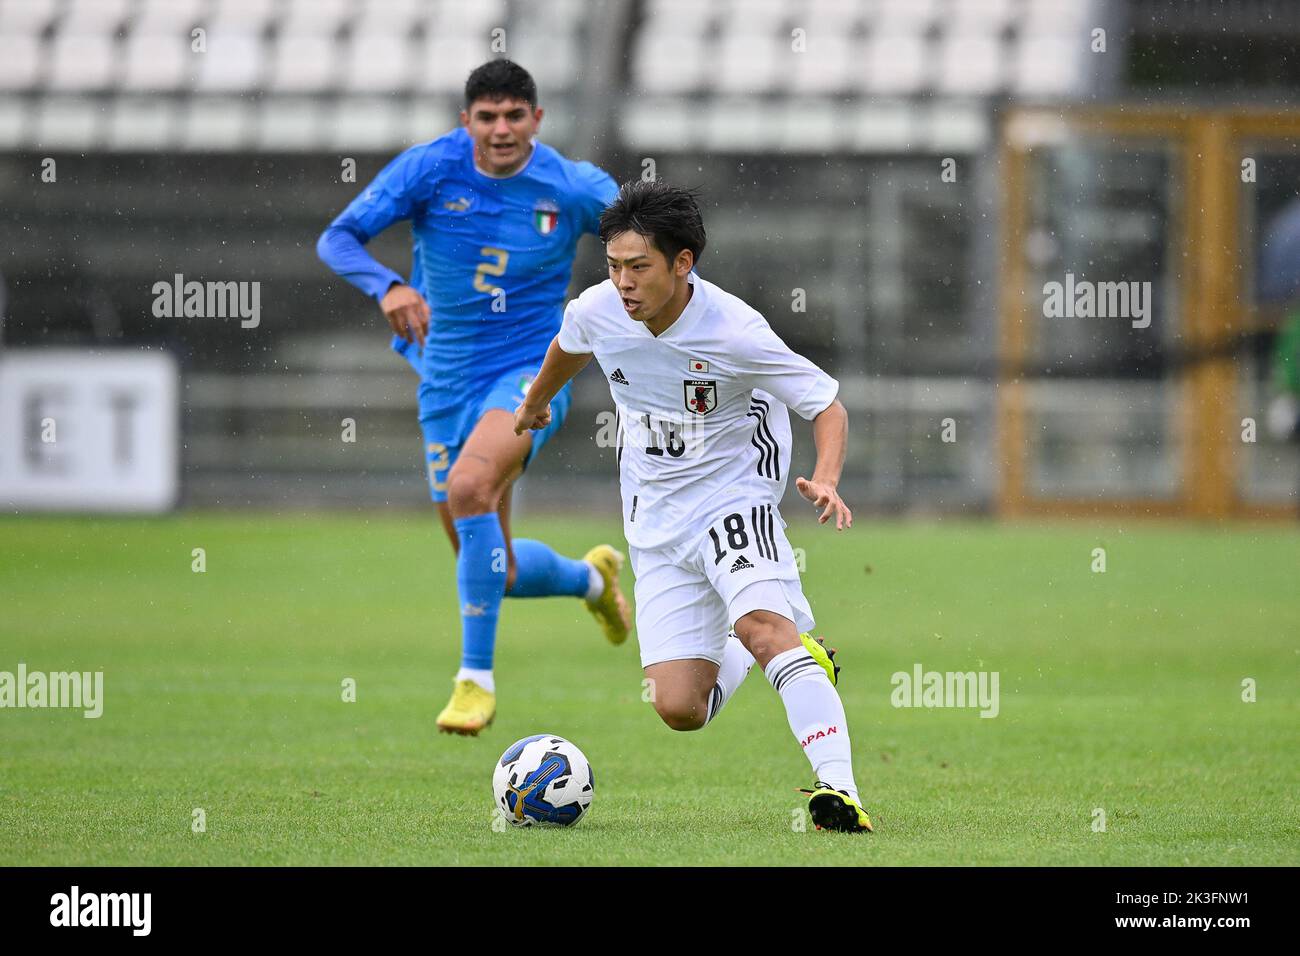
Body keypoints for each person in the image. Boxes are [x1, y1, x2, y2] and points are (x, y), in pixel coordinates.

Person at [513, 180, 871, 832]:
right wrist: (537, 401)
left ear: (682, 264)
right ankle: (783, 646)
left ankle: (838, 790)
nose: (622, 281)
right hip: (653, 513)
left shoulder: (735, 331)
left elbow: (826, 405)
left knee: (766, 627)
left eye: (638, 267)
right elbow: (569, 345)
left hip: (735, 490)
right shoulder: (599, 308)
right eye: (614, 265)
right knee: (679, 708)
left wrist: (825, 477)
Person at [317, 60, 628, 735]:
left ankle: (473, 684)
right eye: (487, 116)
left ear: (537, 120)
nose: (501, 129)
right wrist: (388, 286)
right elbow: (337, 237)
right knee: (494, 567)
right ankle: (592, 581)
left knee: (468, 490)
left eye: (515, 115)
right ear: (467, 122)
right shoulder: (428, 170)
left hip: (529, 375)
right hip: (444, 380)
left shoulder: (570, 187)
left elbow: (642, 235)